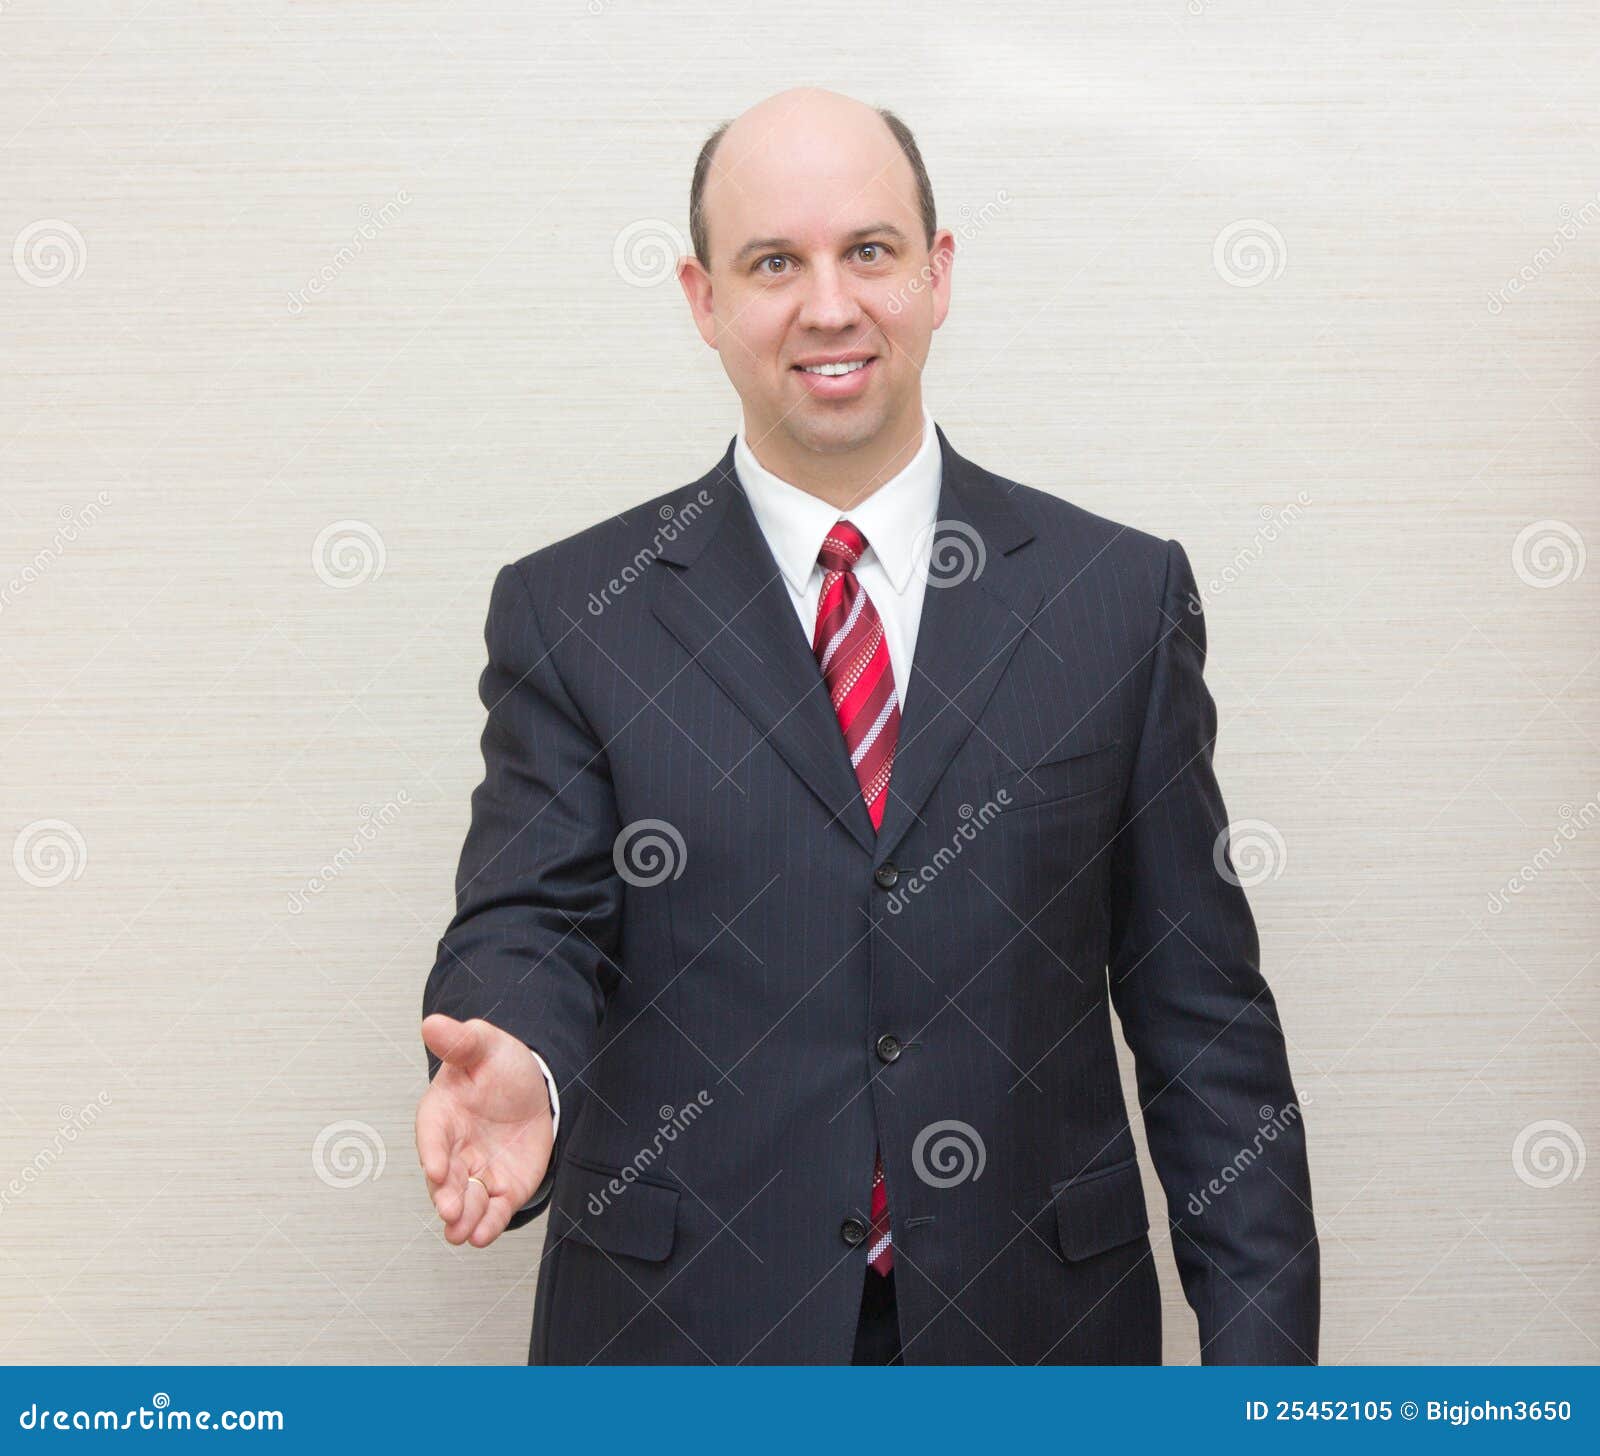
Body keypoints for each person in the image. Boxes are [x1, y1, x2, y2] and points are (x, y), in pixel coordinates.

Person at [417, 86, 1319, 1365]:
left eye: (870, 252)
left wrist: (1263, 1393)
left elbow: (1203, 1022)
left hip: (1035, 1341)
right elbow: (532, 918)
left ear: (937, 276)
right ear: (703, 299)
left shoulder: (1113, 598)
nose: (828, 306)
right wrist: (519, 1053)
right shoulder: (576, 613)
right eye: (773, 262)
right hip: (686, 1342)